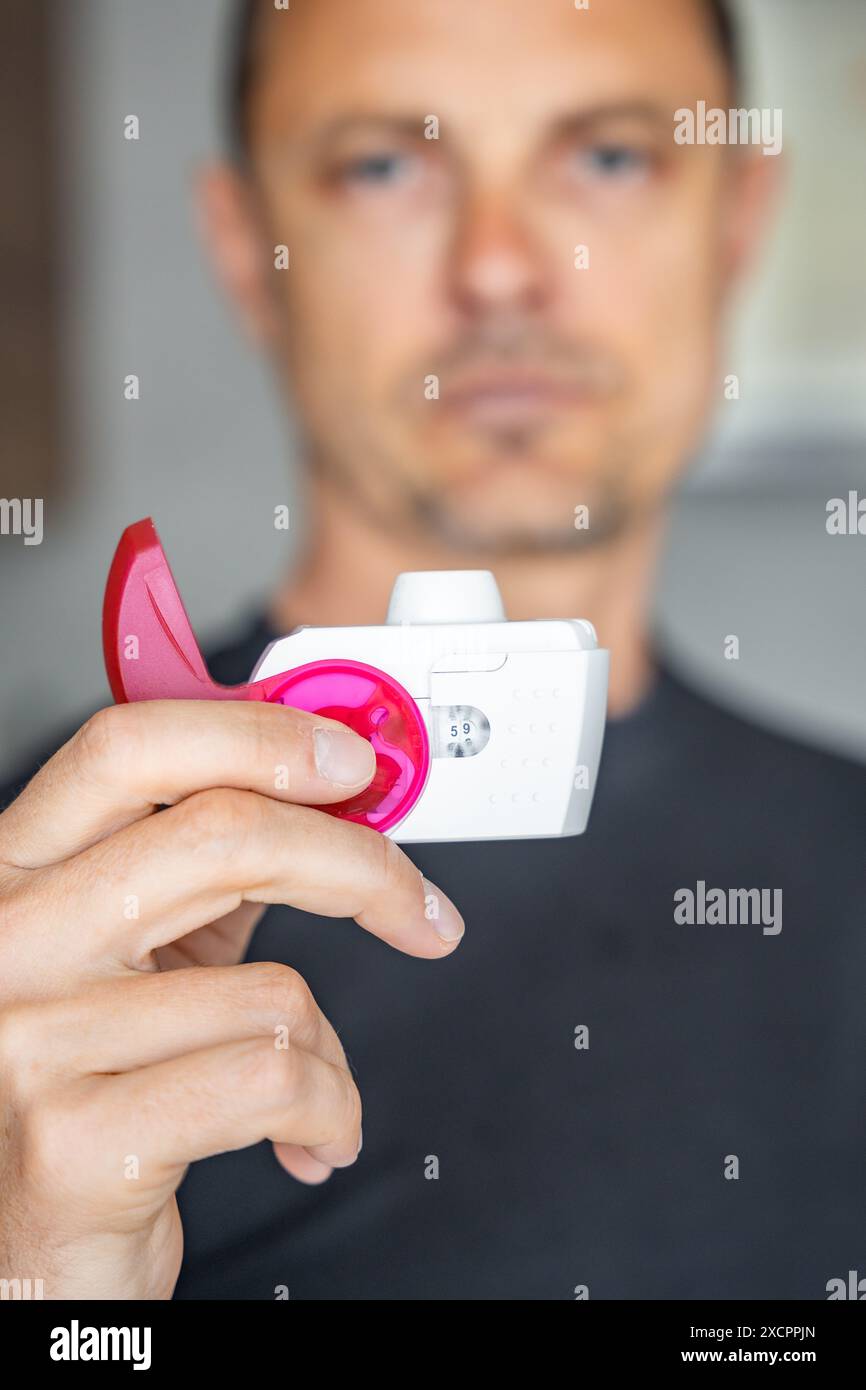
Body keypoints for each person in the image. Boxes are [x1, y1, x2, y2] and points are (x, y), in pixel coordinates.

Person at [1, 0, 863, 1301]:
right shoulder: (24, 922)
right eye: (386, 164)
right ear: (246, 247)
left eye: (609, 155)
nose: (500, 266)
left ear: (738, 222)